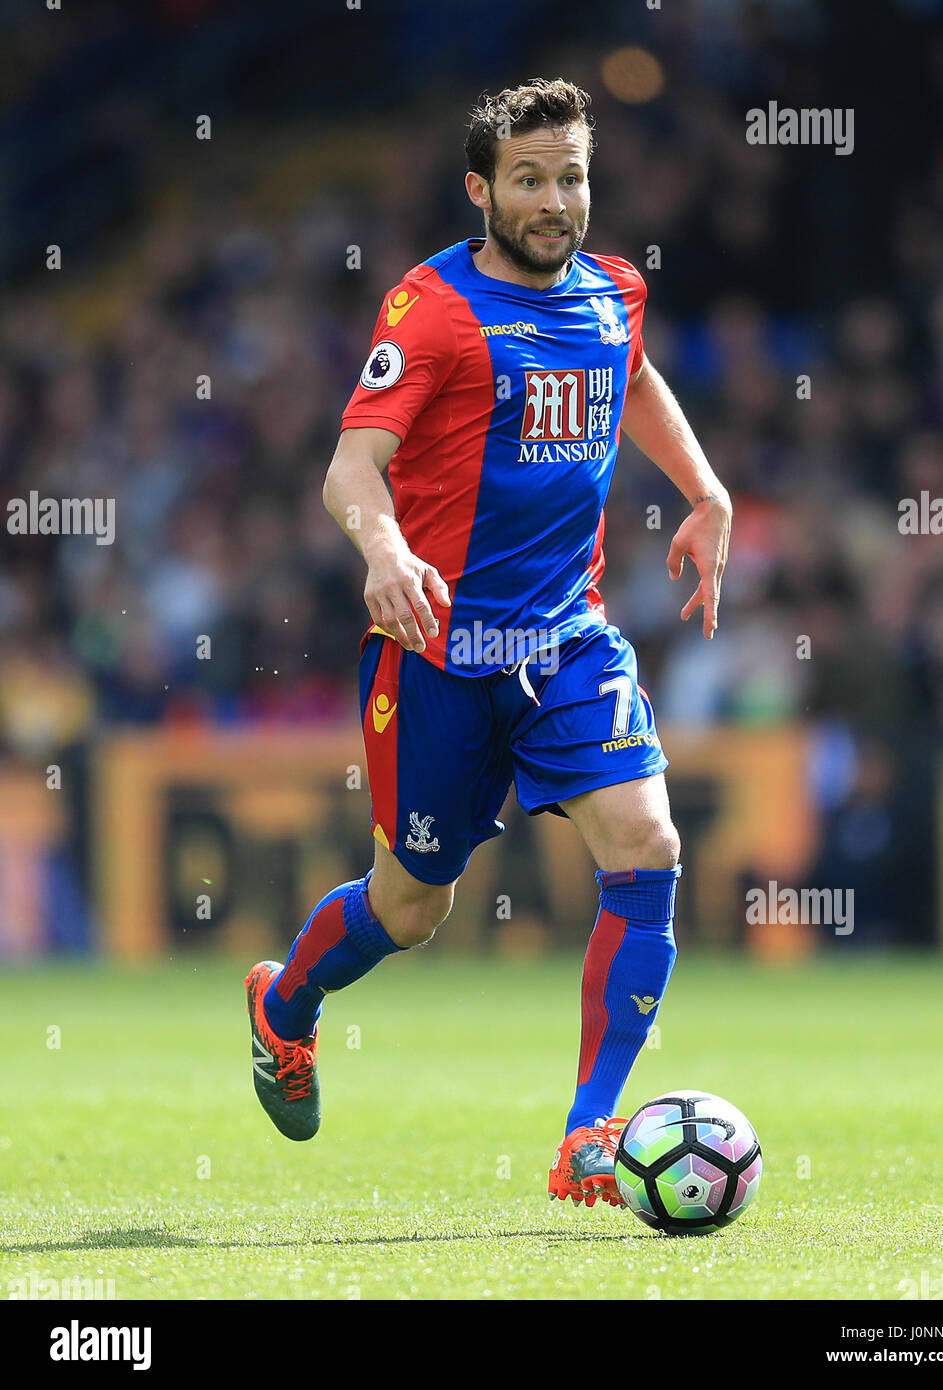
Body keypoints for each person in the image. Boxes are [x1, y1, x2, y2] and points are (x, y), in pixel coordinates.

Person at [245, 78, 732, 1209]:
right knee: (412, 907)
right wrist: (383, 550)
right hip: (435, 653)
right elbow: (349, 466)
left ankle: (591, 1130)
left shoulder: (616, 291)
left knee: (647, 846)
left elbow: (636, 378)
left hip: (569, 639)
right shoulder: (432, 309)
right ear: (482, 190)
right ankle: (287, 1005)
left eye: (571, 176)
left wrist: (703, 491)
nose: (556, 199)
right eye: (530, 178)